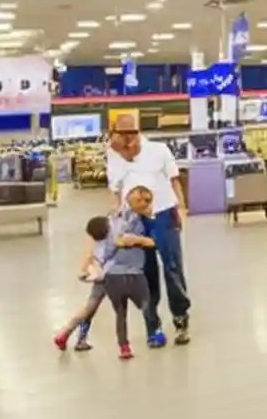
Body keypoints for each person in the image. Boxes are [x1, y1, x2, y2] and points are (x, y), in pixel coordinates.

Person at [107, 113, 191, 347]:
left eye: (129, 137)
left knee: (172, 267)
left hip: (163, 214)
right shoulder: (113, 155)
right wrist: (117, 219)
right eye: (119, 138)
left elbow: (174, 180)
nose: (126, 145)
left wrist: (181, 209)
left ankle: (181, 317)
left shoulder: (158, 150)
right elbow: (114, 189)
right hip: (135, 220)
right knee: (144, 274)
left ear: (136, 134)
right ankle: (152, 326)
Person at [104, 184, 157, 360]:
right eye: (139, 200)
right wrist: (139, 240)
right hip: (115, 272)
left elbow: (153, 242)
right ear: (128, 199)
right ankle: (124, 346)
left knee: (146, 304)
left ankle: (153, 333)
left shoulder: (146, 219)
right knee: (121, 312)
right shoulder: (117, 217)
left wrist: (137, 240)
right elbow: (120, 240)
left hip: (135, 271)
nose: (143, 203)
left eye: (147, 200)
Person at [53, 216, 112, 352]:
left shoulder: (95, 245)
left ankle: (68, 333)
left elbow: (87, 259)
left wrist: (84, 271)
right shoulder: (114, 240)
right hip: (116, 277)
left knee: (88, 310)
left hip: (100, 280)